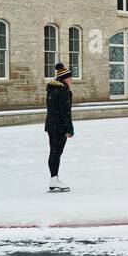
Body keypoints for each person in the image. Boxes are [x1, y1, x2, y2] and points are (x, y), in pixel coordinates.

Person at [44, 62, 74, 191]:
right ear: (65, 78)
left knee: (54, 153)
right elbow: (65, 113)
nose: (71, 80)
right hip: (60, 127)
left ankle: (53, 179)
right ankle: (54, 179)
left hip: (51, 126)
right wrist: (70, 129)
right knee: (56, 154)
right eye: (70, 77)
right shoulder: (63, 92)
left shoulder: (52, 89)